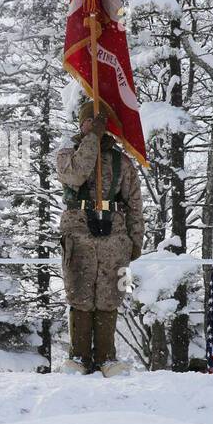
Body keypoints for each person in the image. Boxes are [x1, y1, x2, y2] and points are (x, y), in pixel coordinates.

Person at [55, 100, 144, 376]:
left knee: (110, 295)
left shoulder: (121, 161)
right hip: (78, 233)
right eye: (87, 122)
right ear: (80, 124)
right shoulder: (67, 153)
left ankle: (106, 357)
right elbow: (77, 174)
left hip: (113, 237)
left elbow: (134, 203)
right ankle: (79, 357)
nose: (92, 127)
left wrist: (135, 241)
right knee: (79, 293)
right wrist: (91, 139)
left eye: (97, 123)